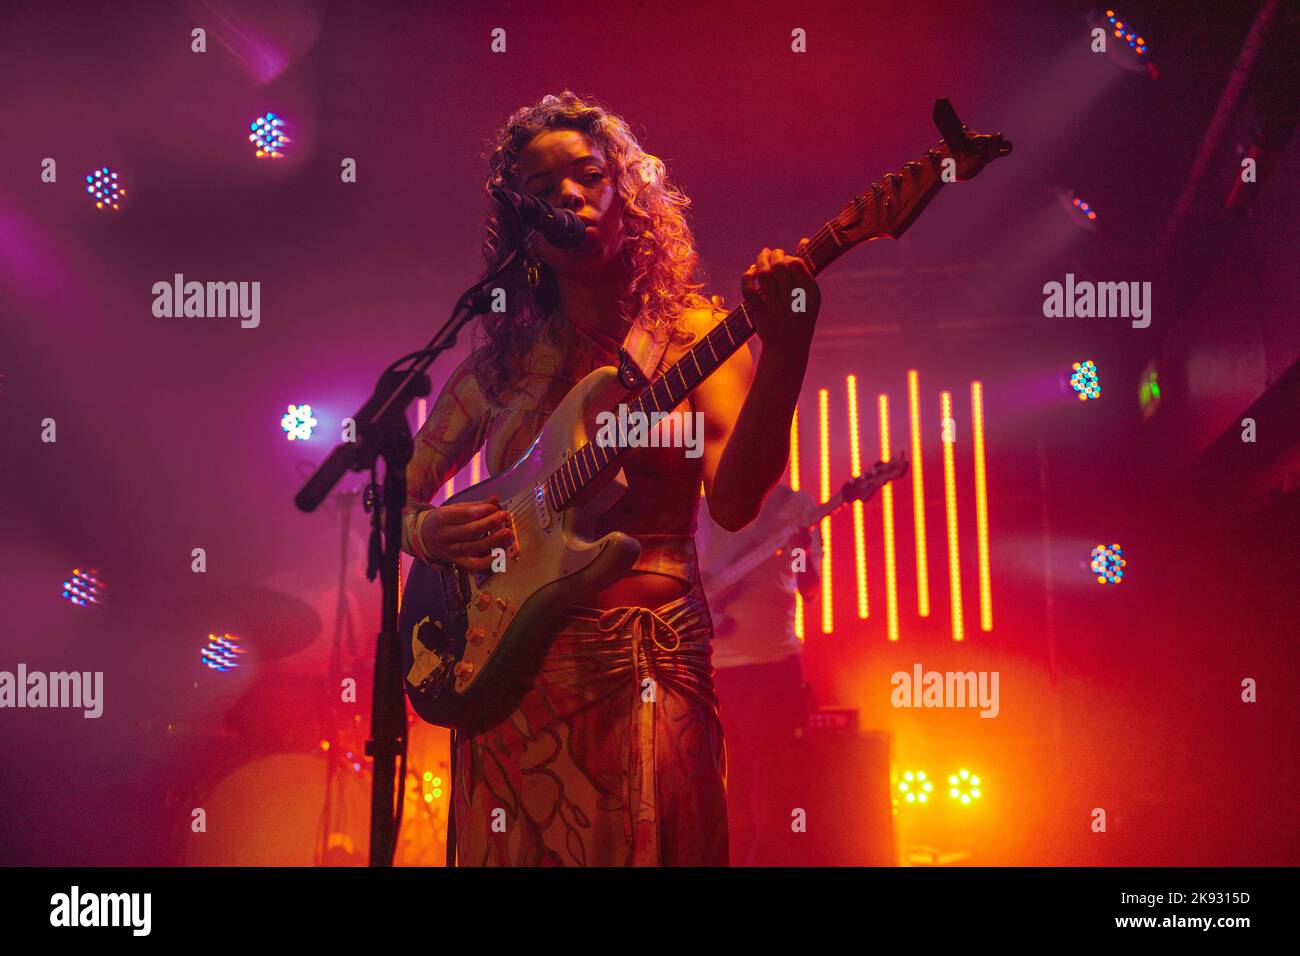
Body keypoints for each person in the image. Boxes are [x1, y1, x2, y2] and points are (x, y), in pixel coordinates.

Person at [401, 91, 821, 865]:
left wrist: (787, 351)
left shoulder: (692, 336)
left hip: (646, 669)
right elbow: (400, 489)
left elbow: (733, 503)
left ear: (629, 196)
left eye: (588, 176)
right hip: (508, 679)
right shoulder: (500, 359)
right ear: (522, 224)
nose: (566, 194)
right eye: (540, 189)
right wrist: (424, 528)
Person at [696, 482, 821, 865]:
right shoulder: (696, 506)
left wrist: (801, 552)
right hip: (716, 671)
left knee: (780, 793)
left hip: (775, 666)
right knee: (725, 796)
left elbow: (810, 588)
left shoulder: (795, 506)